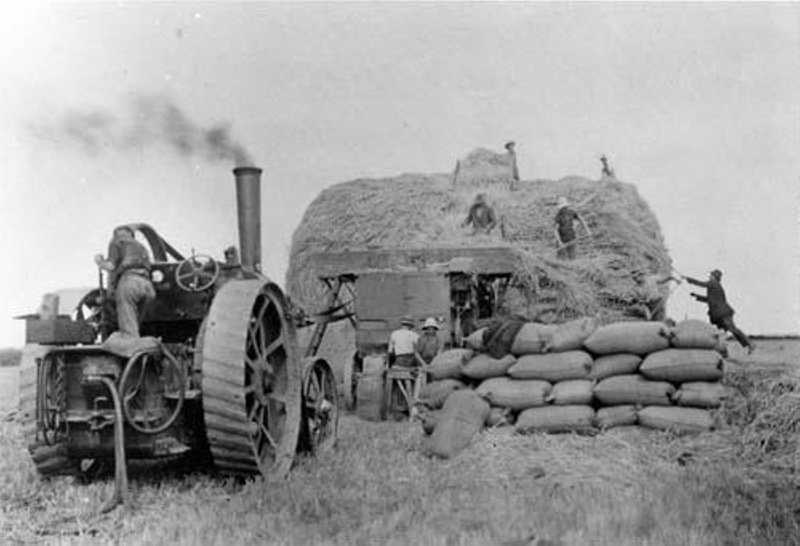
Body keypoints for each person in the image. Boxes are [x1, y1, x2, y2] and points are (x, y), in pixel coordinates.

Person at [94, 226, 155, 338]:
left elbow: (111, 266)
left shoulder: (117, 241)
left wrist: (99, 262)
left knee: (129, 331)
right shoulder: (141, 247)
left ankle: (130, 350)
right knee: (136, 324)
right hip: (147, 286)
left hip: (129, 283)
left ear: (117, 233)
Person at [685, 269, 754, 353]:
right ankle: (724, 352)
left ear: (714, 277)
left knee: (732, 330)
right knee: (721, 334)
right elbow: (709, 299)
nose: (709, 276)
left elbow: (701, 284)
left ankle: (750, 344)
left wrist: (688, 279)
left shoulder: (713, 283)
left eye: (711, 275)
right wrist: (697, 296)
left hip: (723, 314)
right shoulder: (715, 286)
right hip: (719, 314)